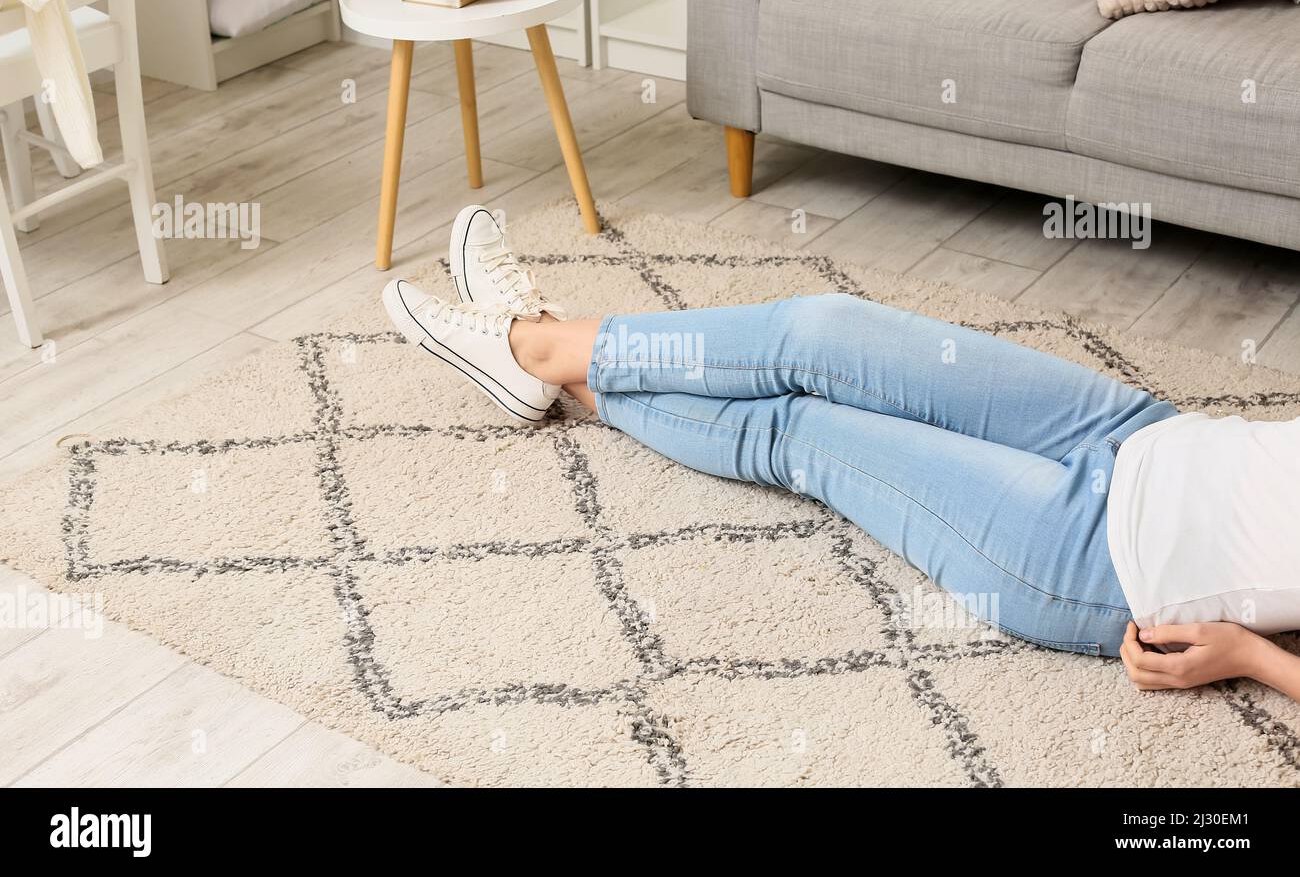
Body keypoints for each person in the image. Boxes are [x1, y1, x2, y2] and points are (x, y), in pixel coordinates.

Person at [382, 205, 1300, 703]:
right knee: (825, 330)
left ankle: (532, 350)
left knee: (801, 429)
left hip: (1102, 563)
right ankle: (539, 346)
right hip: (1147, 431)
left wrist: (1254, 660)